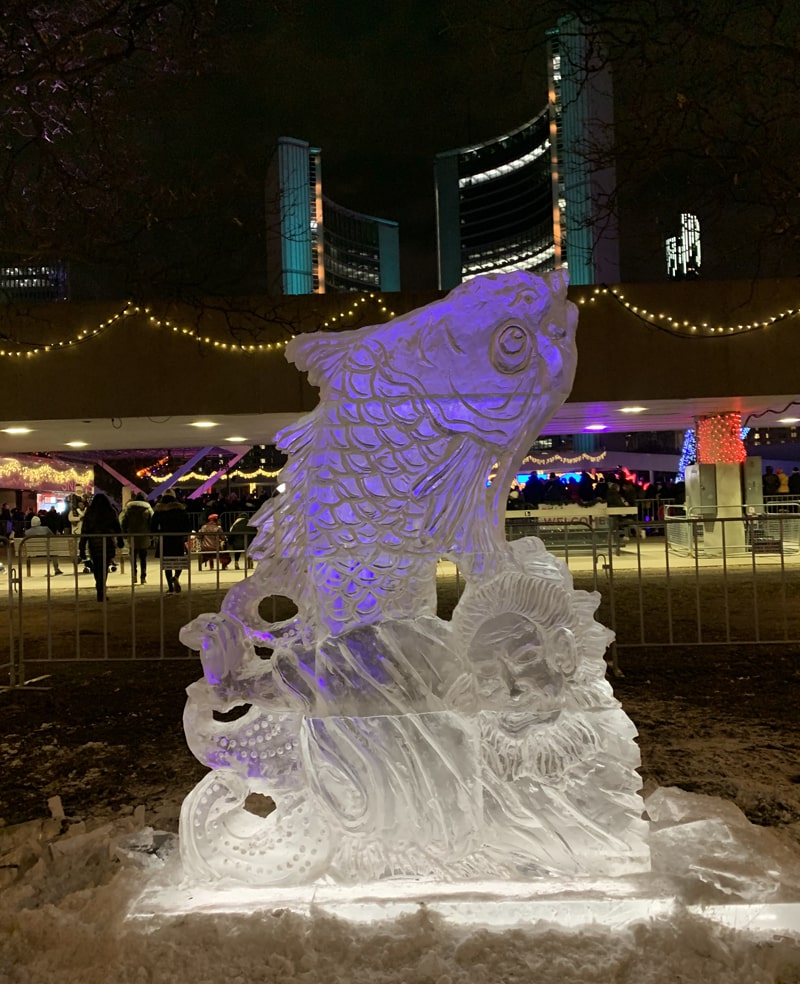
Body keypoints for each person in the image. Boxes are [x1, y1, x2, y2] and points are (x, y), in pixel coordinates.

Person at [81, 493, 124, 601]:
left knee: (97, 566)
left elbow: (84, 531)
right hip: (107, 543)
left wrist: (82, 547)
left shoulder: (90, 513)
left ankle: (99, 586)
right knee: (104, 567)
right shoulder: (110, 512)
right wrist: (120, 540)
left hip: (94, 544)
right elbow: (117, 527)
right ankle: (101, 586)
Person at [151, 491, 192, 593]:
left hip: (165, 539)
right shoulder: (180, 509)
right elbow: (187, 524)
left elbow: (153, 526)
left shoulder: (159, 510)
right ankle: (176, 576)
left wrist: (159, 532)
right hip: (177, 538)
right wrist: (185, 534)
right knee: (179, 561)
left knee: (166, 564)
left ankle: (170, 587)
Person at [120, 492, 154, 584]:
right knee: (143, 557)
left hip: (132, 535)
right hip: (144, 535)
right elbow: (152, 522)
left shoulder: (128, 509)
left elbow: (123, 522)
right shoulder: (148, 509)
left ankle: (133, 575)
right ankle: (143, 576)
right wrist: (152, 534)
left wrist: (124, 533)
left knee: (133, 557)